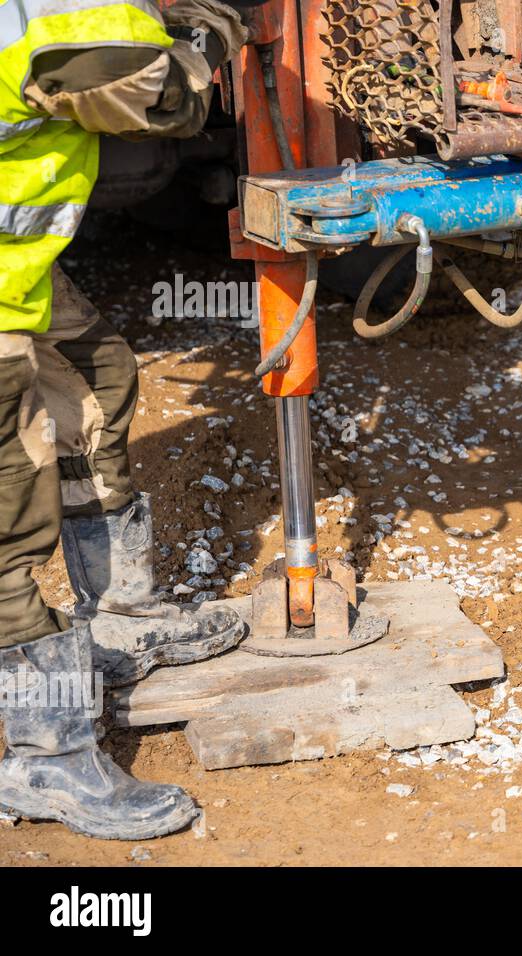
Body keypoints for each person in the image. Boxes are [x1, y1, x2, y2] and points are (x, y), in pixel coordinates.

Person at [0, 0, 257, 840]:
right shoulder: (55, 12)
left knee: (95, 383)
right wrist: (218, 23)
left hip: (14, 274)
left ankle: (118, 621)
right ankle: (47, 757)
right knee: (10, 527)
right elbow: (164, 97)